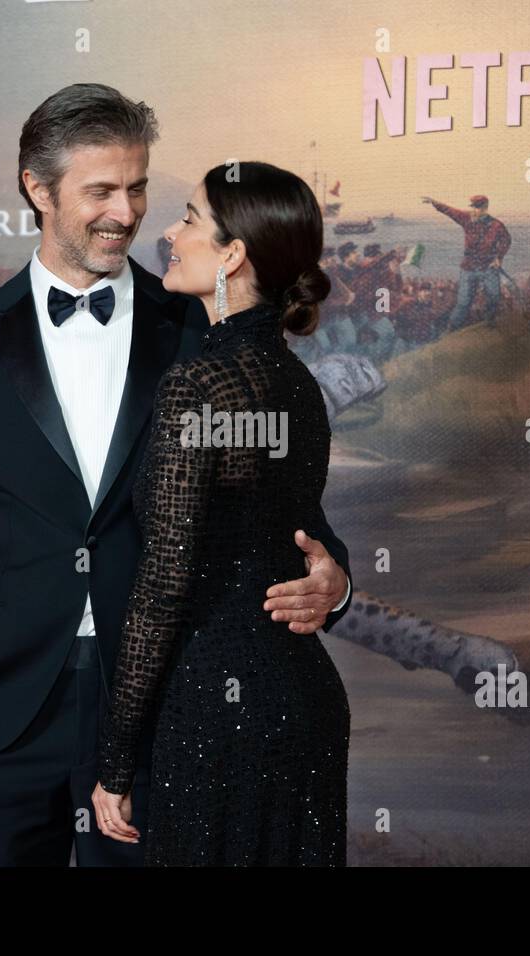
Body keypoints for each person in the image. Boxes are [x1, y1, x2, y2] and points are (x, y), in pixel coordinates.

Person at [0, 84, 354, 867]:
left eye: (138, 187)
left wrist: (334, 583)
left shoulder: (196, 329)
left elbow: (278, 506)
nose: (127, 212)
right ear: (38, 189)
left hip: (160, 712)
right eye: (101, 190)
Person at [92, 162, 353, 865]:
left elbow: (166, 579)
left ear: (232, 254)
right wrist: (338, 578)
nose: (169, 233)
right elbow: (293, 528)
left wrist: (116, 759)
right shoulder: (298, 383)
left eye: (187, 219)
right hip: (305, 703)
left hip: (218, 714)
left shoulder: (200, 382)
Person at [421, 193, 511, 330]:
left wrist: (499, 257)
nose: (474, 210)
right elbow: (450, 211)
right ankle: (451, 328)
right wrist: (435, 202)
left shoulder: (496, 225)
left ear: (485, 208)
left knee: (494, 297)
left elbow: (506, 240)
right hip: (468, 268)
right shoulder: (467, 218)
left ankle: (489, 322)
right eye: (473, 207)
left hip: (488, 268)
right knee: (463, 302)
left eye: (478, 208)